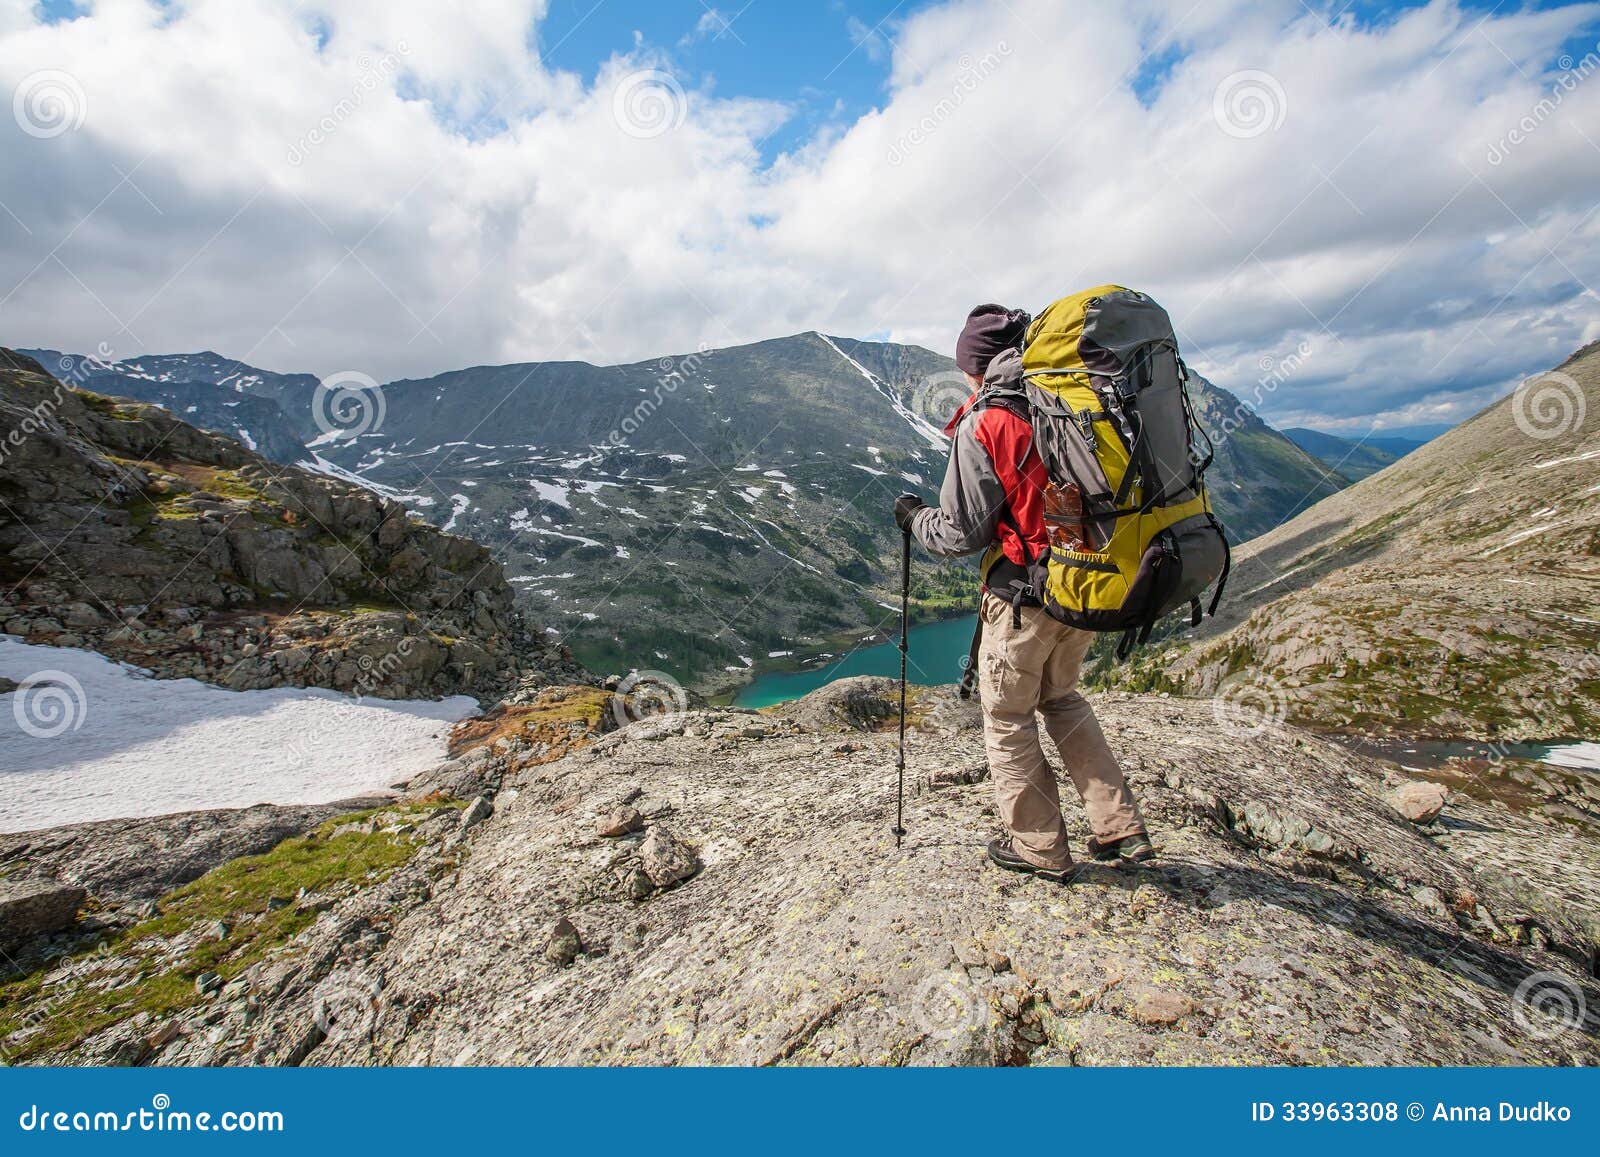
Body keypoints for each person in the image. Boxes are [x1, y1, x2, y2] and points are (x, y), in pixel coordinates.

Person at [893, 303, 1154, 880]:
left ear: (975, 366)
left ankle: (1039, 848)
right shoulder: (1070, 401)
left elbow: (963, 533)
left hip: (1023, 599)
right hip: (1085, 584)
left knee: (1008, 717)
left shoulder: (987, 421)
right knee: (1062, 700)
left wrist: (915, 520)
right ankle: (1118, 826)